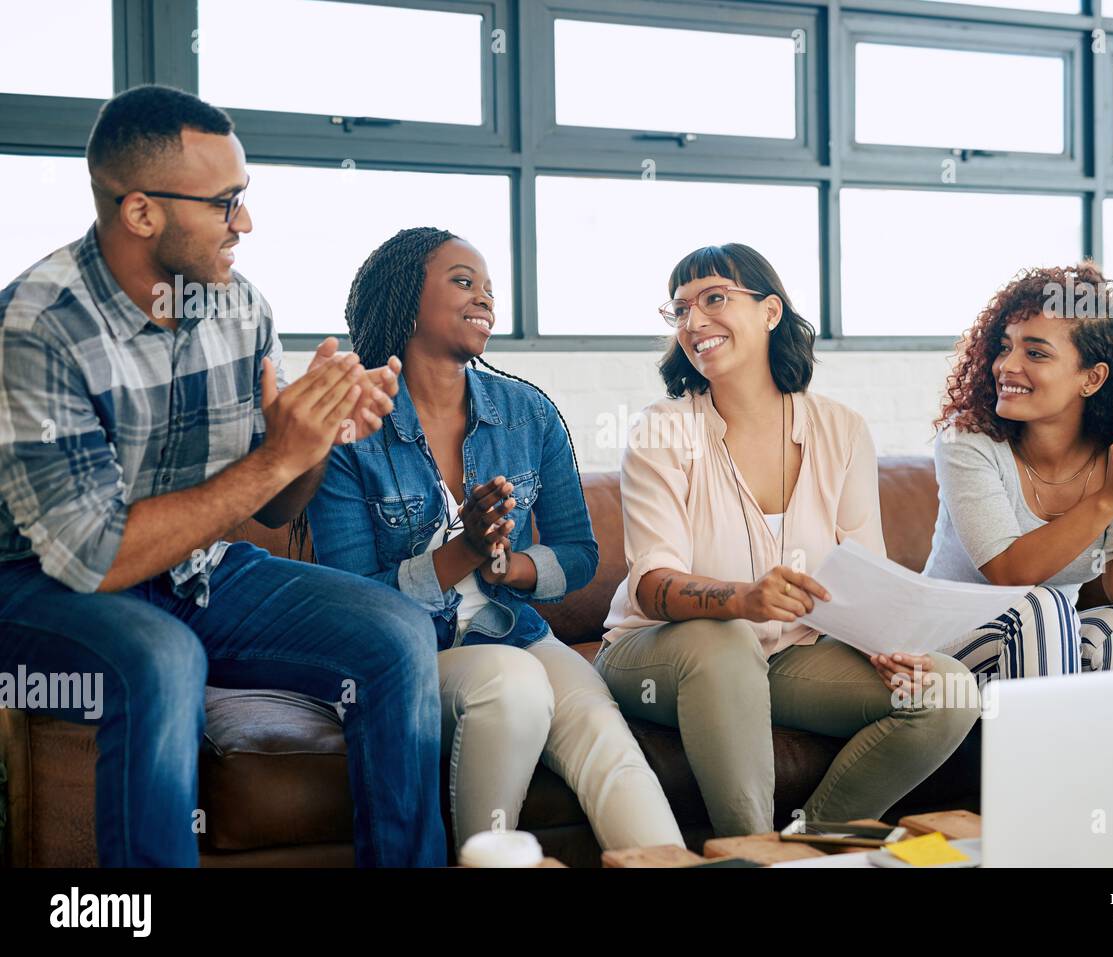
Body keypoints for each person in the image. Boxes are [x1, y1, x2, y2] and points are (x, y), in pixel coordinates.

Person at [0, 85, 446, 866]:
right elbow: (96, 557)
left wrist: (313, 438)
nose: (246, 222)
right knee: (160, 657)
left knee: (398, 633)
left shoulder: (241, 309)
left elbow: (275, 508)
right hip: (38, 585)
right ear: (142, 212)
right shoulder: (37, 328)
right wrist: (276, 456)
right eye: (225, 202)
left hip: (196, 570)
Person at [304, 227, 685, 854]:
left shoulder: (527, 412)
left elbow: (579, 552)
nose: (484, 298)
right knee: (512, 684)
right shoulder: (352, 426)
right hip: (403, 657)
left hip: (513, 630)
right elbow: (356, 606)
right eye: (463, 282)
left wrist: (508, 568)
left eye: (488, 288)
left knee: (604, 736)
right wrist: (464, 554)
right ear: (405, 299)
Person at [596, 243, 981, 838]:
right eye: (681, 309)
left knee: (945, 689)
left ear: (770, 311)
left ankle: (809, 842)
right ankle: (749, 848)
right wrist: (744, 599)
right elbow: (652, 586)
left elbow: (864, 573)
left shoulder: (841, 429)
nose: (694, 322)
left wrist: (884, 643)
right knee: (725, 643)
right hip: (664, 652)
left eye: (714, 298)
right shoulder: (662, 430)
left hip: (791, 654)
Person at [924, 262, 1113, 680]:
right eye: (1005, 347)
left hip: (1046, 647)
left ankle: (1101, 727)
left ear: (1092, 379)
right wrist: (1108, 498)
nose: (1006, 365)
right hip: (944, 644)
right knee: (1040, 607)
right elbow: (1011, 574)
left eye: (1035, 353)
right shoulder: (968, 441)